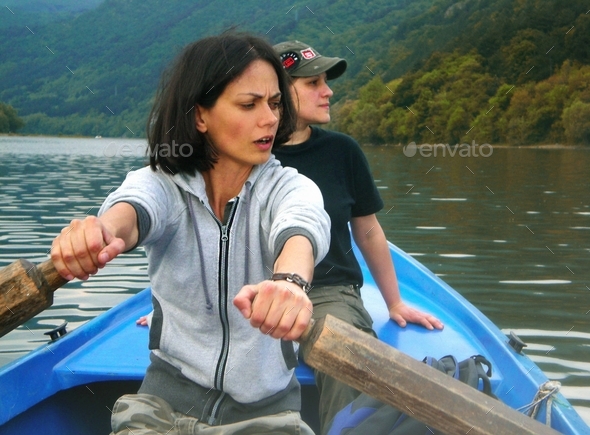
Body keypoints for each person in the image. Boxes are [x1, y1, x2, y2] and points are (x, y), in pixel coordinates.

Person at [50, 32, 331, 435]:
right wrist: (98, 232)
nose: (269, 119)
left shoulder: (289, 187)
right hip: (162, 406)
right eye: (249, 105)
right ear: (200, 116)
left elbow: (301, 229)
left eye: (273, 103)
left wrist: (289, 283)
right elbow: (131, 210)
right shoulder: (164, 183)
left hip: (265, 413)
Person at [271, 40, 445, 434]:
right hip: (252, 287)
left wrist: (395, 302)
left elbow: (366, 229)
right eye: (313, 82)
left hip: (328, 291)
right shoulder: (245, 155)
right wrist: (192, 302)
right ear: (278, 94)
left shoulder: (342, 152)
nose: (328, 91)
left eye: (325, 81)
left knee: (345, 353)